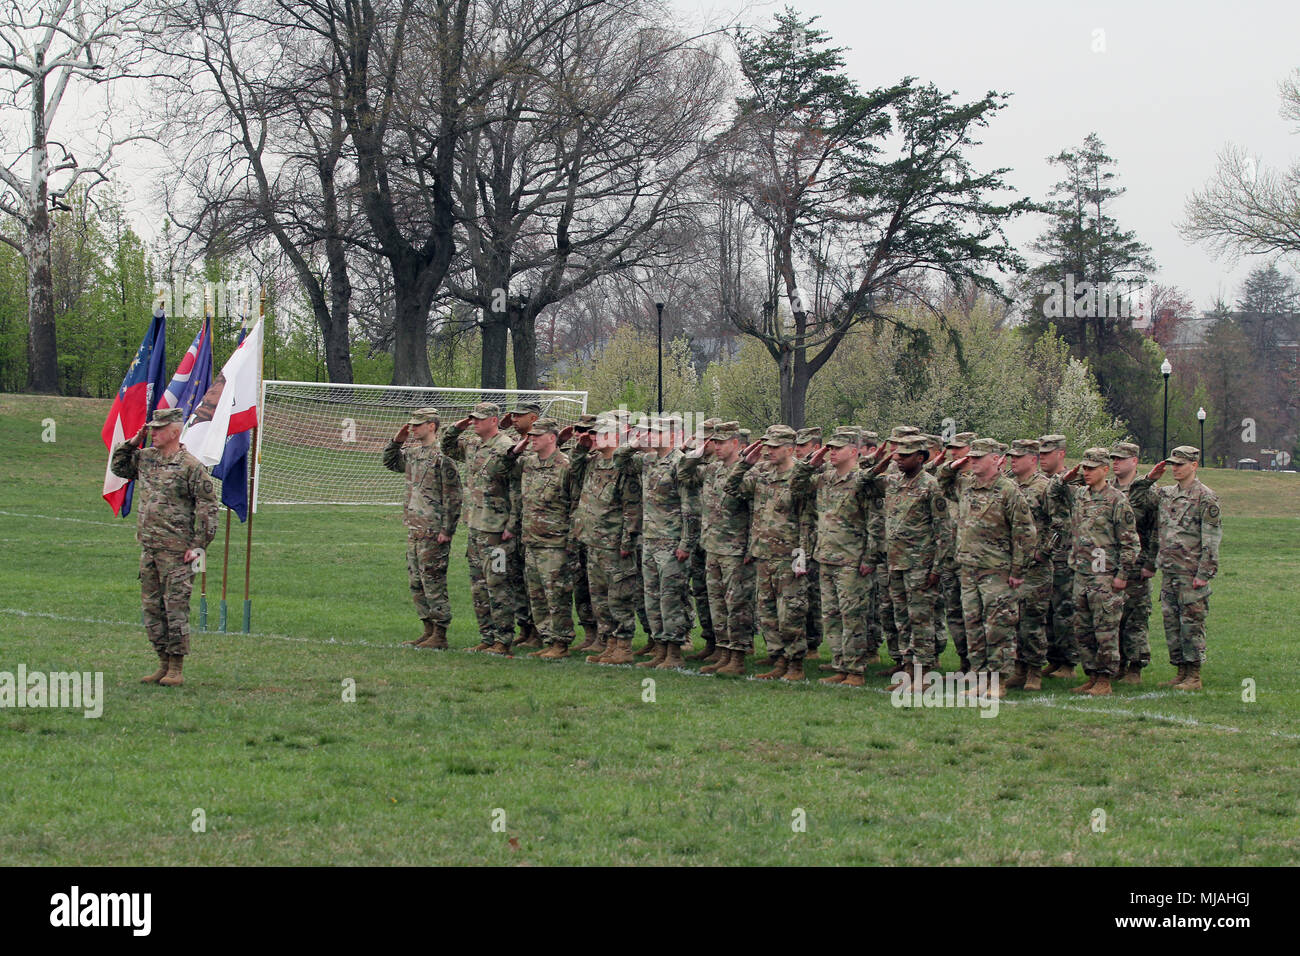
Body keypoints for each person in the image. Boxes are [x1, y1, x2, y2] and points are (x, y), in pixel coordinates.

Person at [110, 406, 219, 687]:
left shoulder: (191, 466)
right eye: (152, 429)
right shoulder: (146, 459)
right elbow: (118, 467)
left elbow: (208, 507)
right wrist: (134, 442)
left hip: (178, 552)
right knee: (152, 609)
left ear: (174, 432)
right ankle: (161, 663)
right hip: (150, 548)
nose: (152, 433)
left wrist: (198, 545)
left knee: (175, 609)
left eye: (158, 429)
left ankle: (177, 668)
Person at [1047, 448, 1140, 696]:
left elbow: (1130, 542)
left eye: (1091, 468)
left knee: (1105, 631)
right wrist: (1069, 477)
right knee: (1083, 630)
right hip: (1081, 574)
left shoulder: (1117, 500)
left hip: (1104, 576)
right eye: (1083, 468)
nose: (1085, 472)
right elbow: (1053, 492)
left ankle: (1105, 679)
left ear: (1104, 470)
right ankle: (1092, 675)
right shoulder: (1079, 496)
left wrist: (1122, 575)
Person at [1133, 446, 1222, 691]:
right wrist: (1149, 479)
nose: (1175, 469)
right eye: (1173, 464)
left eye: (1180, 464)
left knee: (1192, 623)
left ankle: (1194, 675)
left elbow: (1212, 539)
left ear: (1194, 465)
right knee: (1172, 623)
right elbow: (1136, 501)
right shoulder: (1166, 494)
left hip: (1191, 572)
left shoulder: (1206, 497)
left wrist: (1204, 573)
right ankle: (1180, 670)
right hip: (1169, 570)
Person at [725, 425, 809, 680]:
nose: (768, 451)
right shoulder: (761, 471)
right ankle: (779, 660)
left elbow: (807, 517)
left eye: (774, 447)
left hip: (789, 554)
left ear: (789, 449)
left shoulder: (800, 475)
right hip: (763, 553)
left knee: (790, 612)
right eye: (767, 446)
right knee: (768, 612)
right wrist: (744, 463)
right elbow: (731, 488)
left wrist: (803, 553)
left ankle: (795, 664)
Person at [862, 434, 946, 690]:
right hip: (895, 562)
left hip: (920, 565)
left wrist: (937, 568)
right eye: (897, 455)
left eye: (905, 456)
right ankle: (908, 670)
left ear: (920, 458)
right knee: (903, 620)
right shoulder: (893, 481)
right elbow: (863, 482)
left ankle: (924, 674)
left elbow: (944, 531)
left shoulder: (931, 486)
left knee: (921, 620)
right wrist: (882, 462)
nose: (898, 460)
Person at [793, 427, 872, 687]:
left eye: (837, 448)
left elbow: (875, 522)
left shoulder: (862, 481)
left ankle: (856, 670)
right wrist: (808, 465)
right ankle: (840, 665)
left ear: (853, 451)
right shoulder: (824, 479)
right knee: (832, 616)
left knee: (853, 618)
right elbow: (795, 487)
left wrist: (869, 557)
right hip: (826, 556)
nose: (832, 452)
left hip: (851, 559)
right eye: (830, 448)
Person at [440, 402, 518, 655]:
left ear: (494, 421)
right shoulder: (473, 445)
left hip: (496, 528)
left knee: (497, 584)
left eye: (479, 419)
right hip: (475, 525)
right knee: (478, 585)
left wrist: (512, 524)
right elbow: (447, 446)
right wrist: (458, 426)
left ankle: (503, 640)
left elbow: (517, 488)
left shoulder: (506, 447)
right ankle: (487, 636)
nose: (474, 422)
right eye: (472, 418)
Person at [678, 421, 754, 676]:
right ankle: (722, 651)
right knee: (717, 605)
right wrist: (695, 451)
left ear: (735, 443)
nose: (716, 447)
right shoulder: (712, 470)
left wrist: (749, 548)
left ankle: (738, 656)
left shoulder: (746, 472)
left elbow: (754, 512)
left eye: (720, 442)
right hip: (712, 546)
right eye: (714, 442)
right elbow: (683, 474)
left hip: (734, 548)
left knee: (736, 606)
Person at [382, 408, 462, 649]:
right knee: (417, 583)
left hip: (433, 530)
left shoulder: (443, 456)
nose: (413, 429)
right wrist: (397, 440)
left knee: (433, 582)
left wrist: (447, 530)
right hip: (415, 529)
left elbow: (453, 496)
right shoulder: (414, 454)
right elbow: (390, 462)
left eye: (418, 425)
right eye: (412, 425)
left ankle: (440, 633)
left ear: (432, 426)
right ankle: (427, 630)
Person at [620, 417, 696, 670]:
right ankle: (660, 648)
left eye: (658, 432)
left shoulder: (680, 463)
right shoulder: (648, 460)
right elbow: (618, 460)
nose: (652, 435)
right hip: (650, 539)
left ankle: (675, 652)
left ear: (673, 436)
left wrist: (686, 542)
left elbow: (689, 506)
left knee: (670, 598)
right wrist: (633, 445)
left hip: (672, 540)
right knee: (651, 598)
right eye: (651, 431)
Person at [572, 418, 641, 665]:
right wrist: (580, 447)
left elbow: (632, 507)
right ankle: (609, 642)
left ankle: (623, 645)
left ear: (613, 436)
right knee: (599, 597)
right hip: (593, 540)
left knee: (619, 596)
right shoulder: (592, 462)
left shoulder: (624, 466)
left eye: (600, 434)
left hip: (614, 543)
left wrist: (627, 542)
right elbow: (572, 470)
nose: (593, 438)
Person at [509, 418, 578, 659]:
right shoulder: (528, 463)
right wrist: (519, 446)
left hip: (555, 543)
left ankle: (561, 643)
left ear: (552, 437)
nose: (532, 439)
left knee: (556, 595)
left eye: (537, 436)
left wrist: (571, 541)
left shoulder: (565, 466)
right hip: (532, 540)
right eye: (531, 436)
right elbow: (501, 467)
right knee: (537, 596)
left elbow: (575, 503)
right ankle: (548, 639)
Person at [1108, 441, 1158, 683]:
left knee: (1135, 617)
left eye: (1121, 458)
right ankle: (1117, 663)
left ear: (1134, 461)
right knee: (1113, 617)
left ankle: (1135, 667)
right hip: (1112, 563)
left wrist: (1150, 563)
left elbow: (1156, 529)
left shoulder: (1148, 493)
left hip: (1137, 566)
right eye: (1113, 459)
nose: (1115, 463)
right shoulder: (1109, 489)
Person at [1006, 439, 1051, 690]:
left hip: (1036, 568)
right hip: (1013, 563)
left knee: (1033, 620)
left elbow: (1061, 523)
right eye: (1011, 456)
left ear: (1032, 460)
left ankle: (1035, 670)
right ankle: (1019, 667)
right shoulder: (1009, 486)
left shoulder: (1045, 488)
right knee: (1014, 620)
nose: (1013, 460)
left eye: (1019, 457)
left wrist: (1043, 552)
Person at [1038, 434, 1079, 679]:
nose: (1042, 458)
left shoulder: (1072, 482)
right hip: (1042, 556)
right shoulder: (1038, 481)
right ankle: (1053, 658)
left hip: (1064, 554)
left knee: (1064, 610)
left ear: (1060, 454)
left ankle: (1069, 662)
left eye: (1047, 454)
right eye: (1040, 454)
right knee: (1047, 612)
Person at [502, 402, 542, 648]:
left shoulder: (543, 444)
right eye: (512, 416)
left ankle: (540, 631)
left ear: (534, 417)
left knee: (534, 581)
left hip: (533, 522)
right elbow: (503, 465)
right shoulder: (513, 446)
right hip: (513, 521)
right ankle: (525, 627)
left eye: (519, 416)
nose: (514, 419)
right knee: (515, 578)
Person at [560, 415, 600, 650]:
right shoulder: (579, 457)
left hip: (597, 530)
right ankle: (589, 632)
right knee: (580, 583)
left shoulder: (603, 458)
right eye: (578, 430)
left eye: (587, 431)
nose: (581, 434)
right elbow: (571, 472)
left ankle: (604, 636)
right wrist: (576, 445)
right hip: (577, 527)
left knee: (599, 586)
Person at [795, 426, 824, 659]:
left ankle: (813, 644)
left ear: (816, 448)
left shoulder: (825, 472)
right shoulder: (799, 471)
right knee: (797, 594)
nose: (797, 450)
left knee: (814, 595)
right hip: (797, 541)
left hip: (817, 541)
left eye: (802, 446)